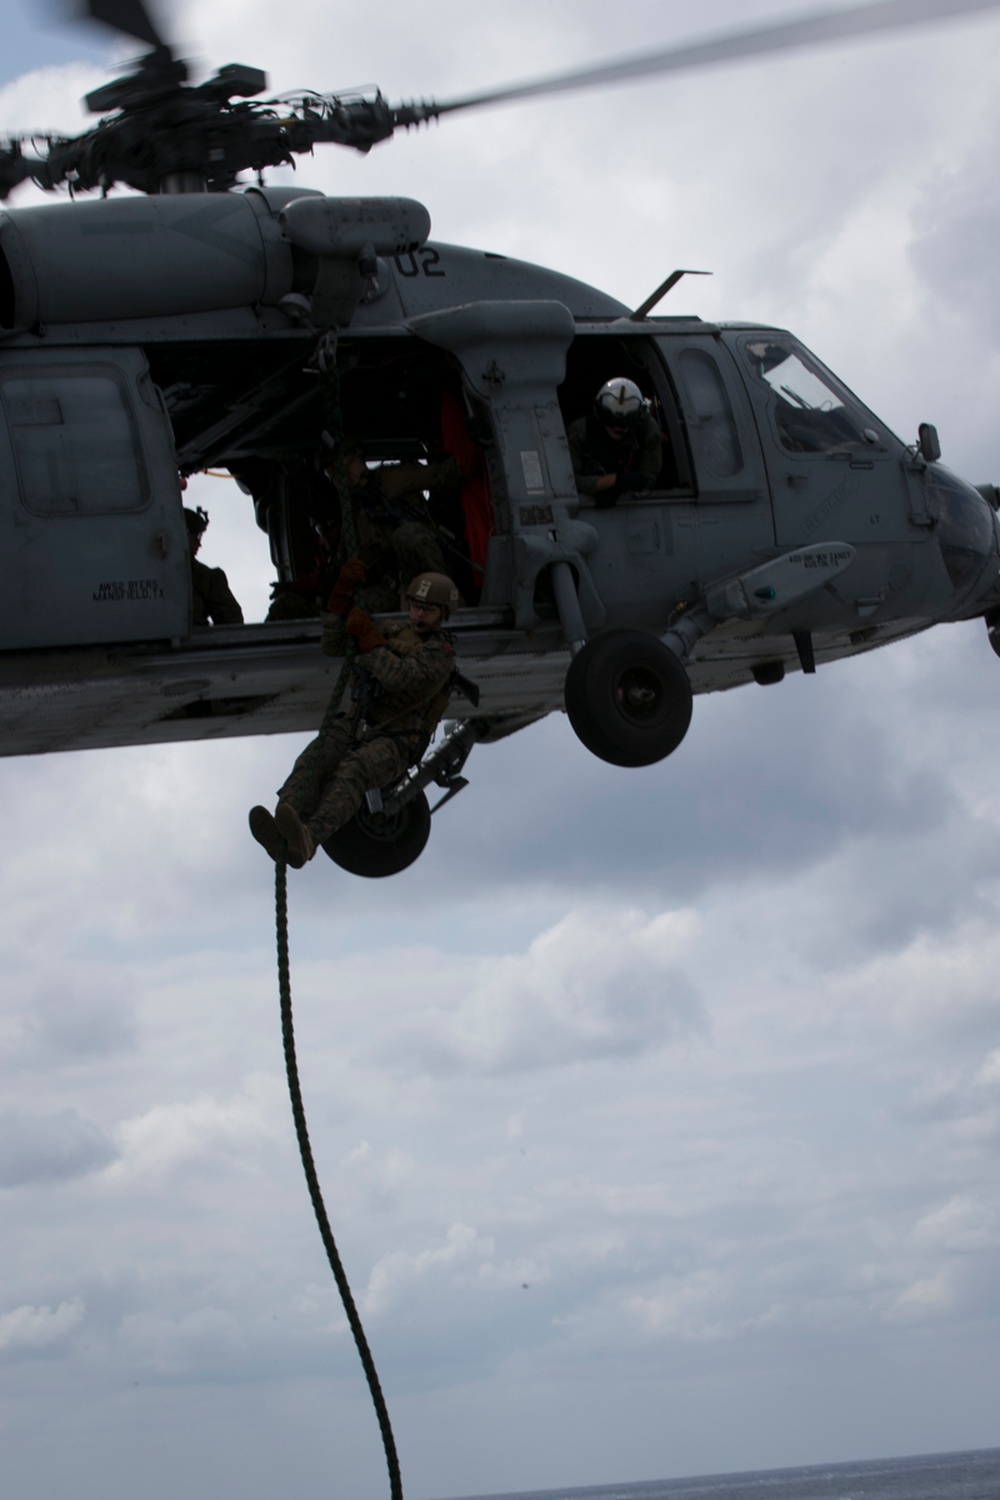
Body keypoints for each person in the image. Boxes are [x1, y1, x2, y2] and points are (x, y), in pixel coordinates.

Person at [248, 570, 460, 868]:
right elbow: (334, 646)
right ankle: (286, 824)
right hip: (358, 723)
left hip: (396, 740)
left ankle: (308, 837)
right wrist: (337, 610)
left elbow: (400, 677)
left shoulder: (441, 654)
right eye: (415, 606)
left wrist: (370, 642)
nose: (419, 613)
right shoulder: (392, 632)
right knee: (315, 757)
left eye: (428, 609)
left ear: (443, 613)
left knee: (353, 772)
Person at [567, 377, 664, 508]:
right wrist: (614, 481)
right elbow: (569, 481)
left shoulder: (647, 431)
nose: (618, 428)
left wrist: (620, 483)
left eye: (626, 423)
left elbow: (647, 477)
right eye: (611, 420)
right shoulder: (580, 433)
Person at [185, 506, 244, 626]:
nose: (199, 544)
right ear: (184, 535)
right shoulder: (204, 576)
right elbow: (233, 622)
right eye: (197, 536)